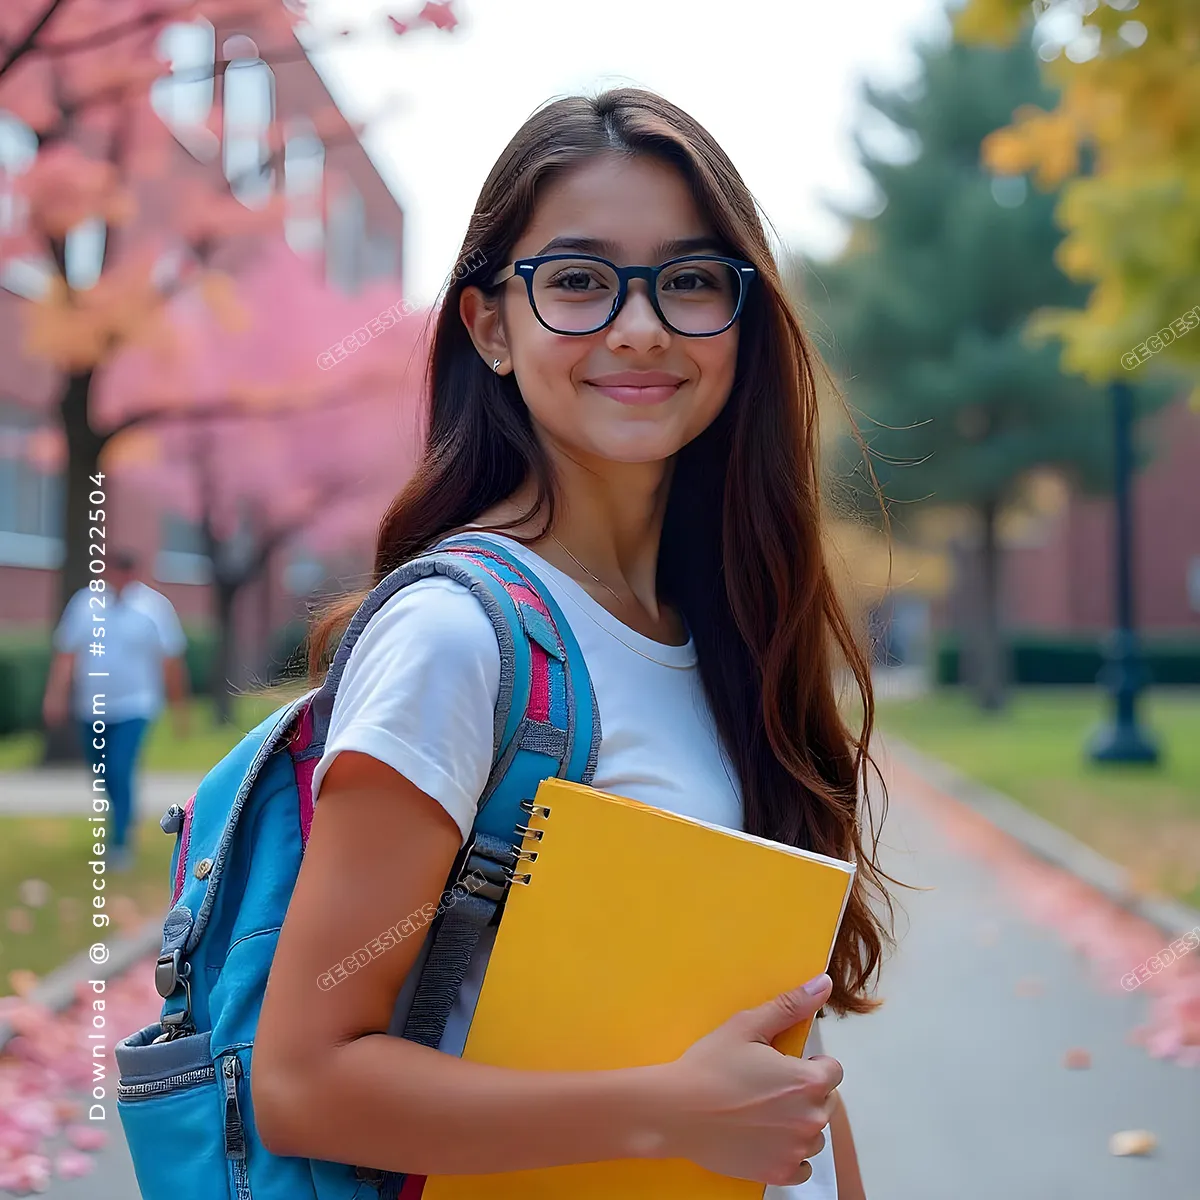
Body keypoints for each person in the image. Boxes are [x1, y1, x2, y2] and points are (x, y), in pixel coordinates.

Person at [252, 89, 896, 1198]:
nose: (640, 325)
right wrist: (666, 1117)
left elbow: (772, 1069)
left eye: (691, 280)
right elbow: (304, 1084)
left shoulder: (730, 629)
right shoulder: (459, 639)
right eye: (579, 282)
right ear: (491, 326)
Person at [42, 548, 190, 870]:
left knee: (120, 767)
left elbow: (171, 661)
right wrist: (55, 695)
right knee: (101, 769)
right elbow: (67, 654)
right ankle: (123, 810)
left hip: (136, 706)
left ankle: (120, 841)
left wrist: (180, 709)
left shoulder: (153, 609)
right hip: (91, 707)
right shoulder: (84, 604)